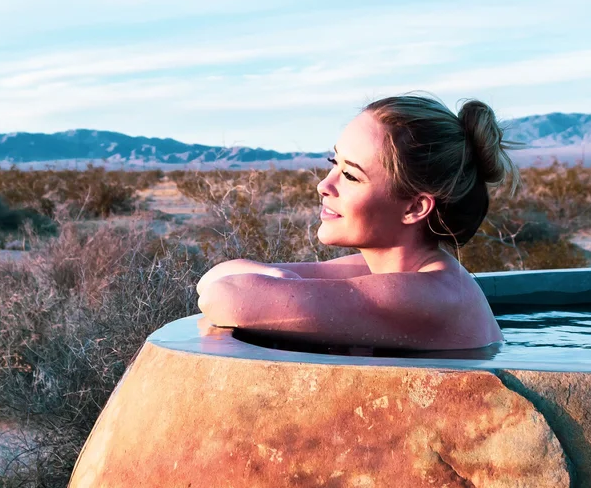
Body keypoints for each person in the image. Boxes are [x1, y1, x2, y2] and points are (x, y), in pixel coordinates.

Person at [197, 94, 514, 351]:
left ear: (415, 207)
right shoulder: (390, 269)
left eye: (350, 175)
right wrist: (281, 280)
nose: (324, 185)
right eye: (333, 163)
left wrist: (281, 283)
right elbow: (212, 280)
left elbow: (226, 297)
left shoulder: (428, 296)